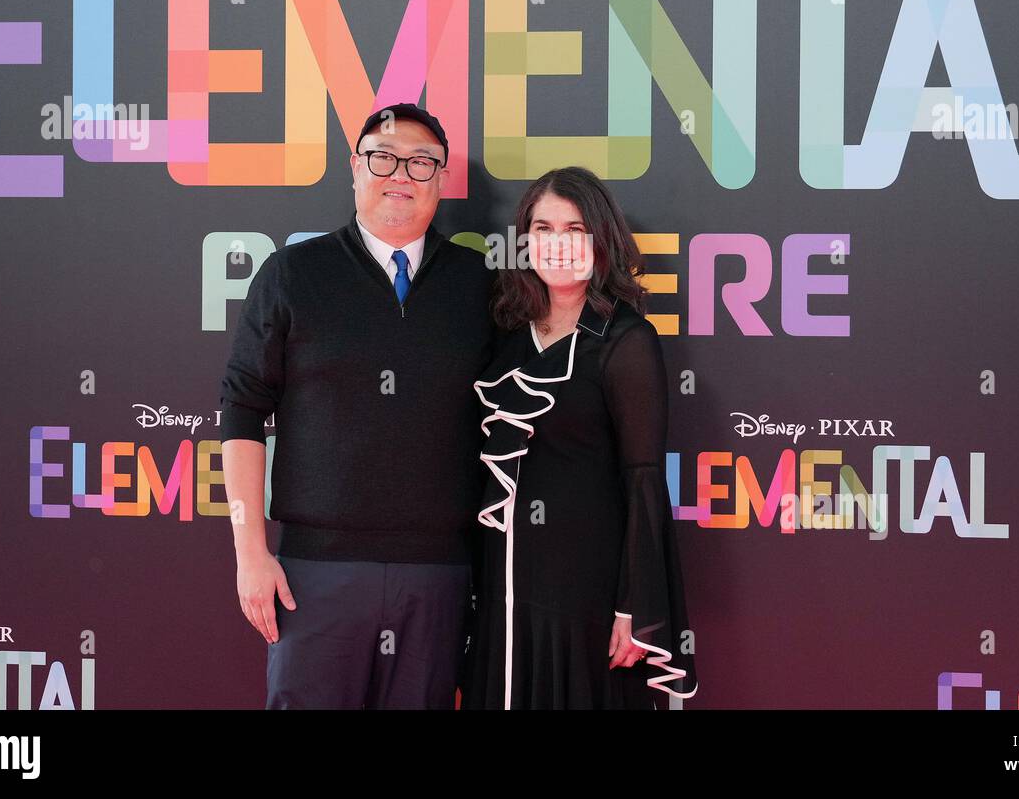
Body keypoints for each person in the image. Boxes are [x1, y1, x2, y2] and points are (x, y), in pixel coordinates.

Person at [218, 103, 495, 709]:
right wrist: (250, 553)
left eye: (421, 162)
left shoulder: (480, 285)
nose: (402, 173)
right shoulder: (293, 273)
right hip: (314, 575)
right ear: (354, 169)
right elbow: (241, 409)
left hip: (440, 576)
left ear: (442, 178)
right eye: (383, 157)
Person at [460, 166, 698, 709]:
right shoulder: (507, 334)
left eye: (575, 229)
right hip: (503, 590)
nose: (558, 244)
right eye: (543, 229)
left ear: (602, 238)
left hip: (585, 593)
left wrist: (632, 603)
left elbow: (642, 480)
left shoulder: (625, 340)